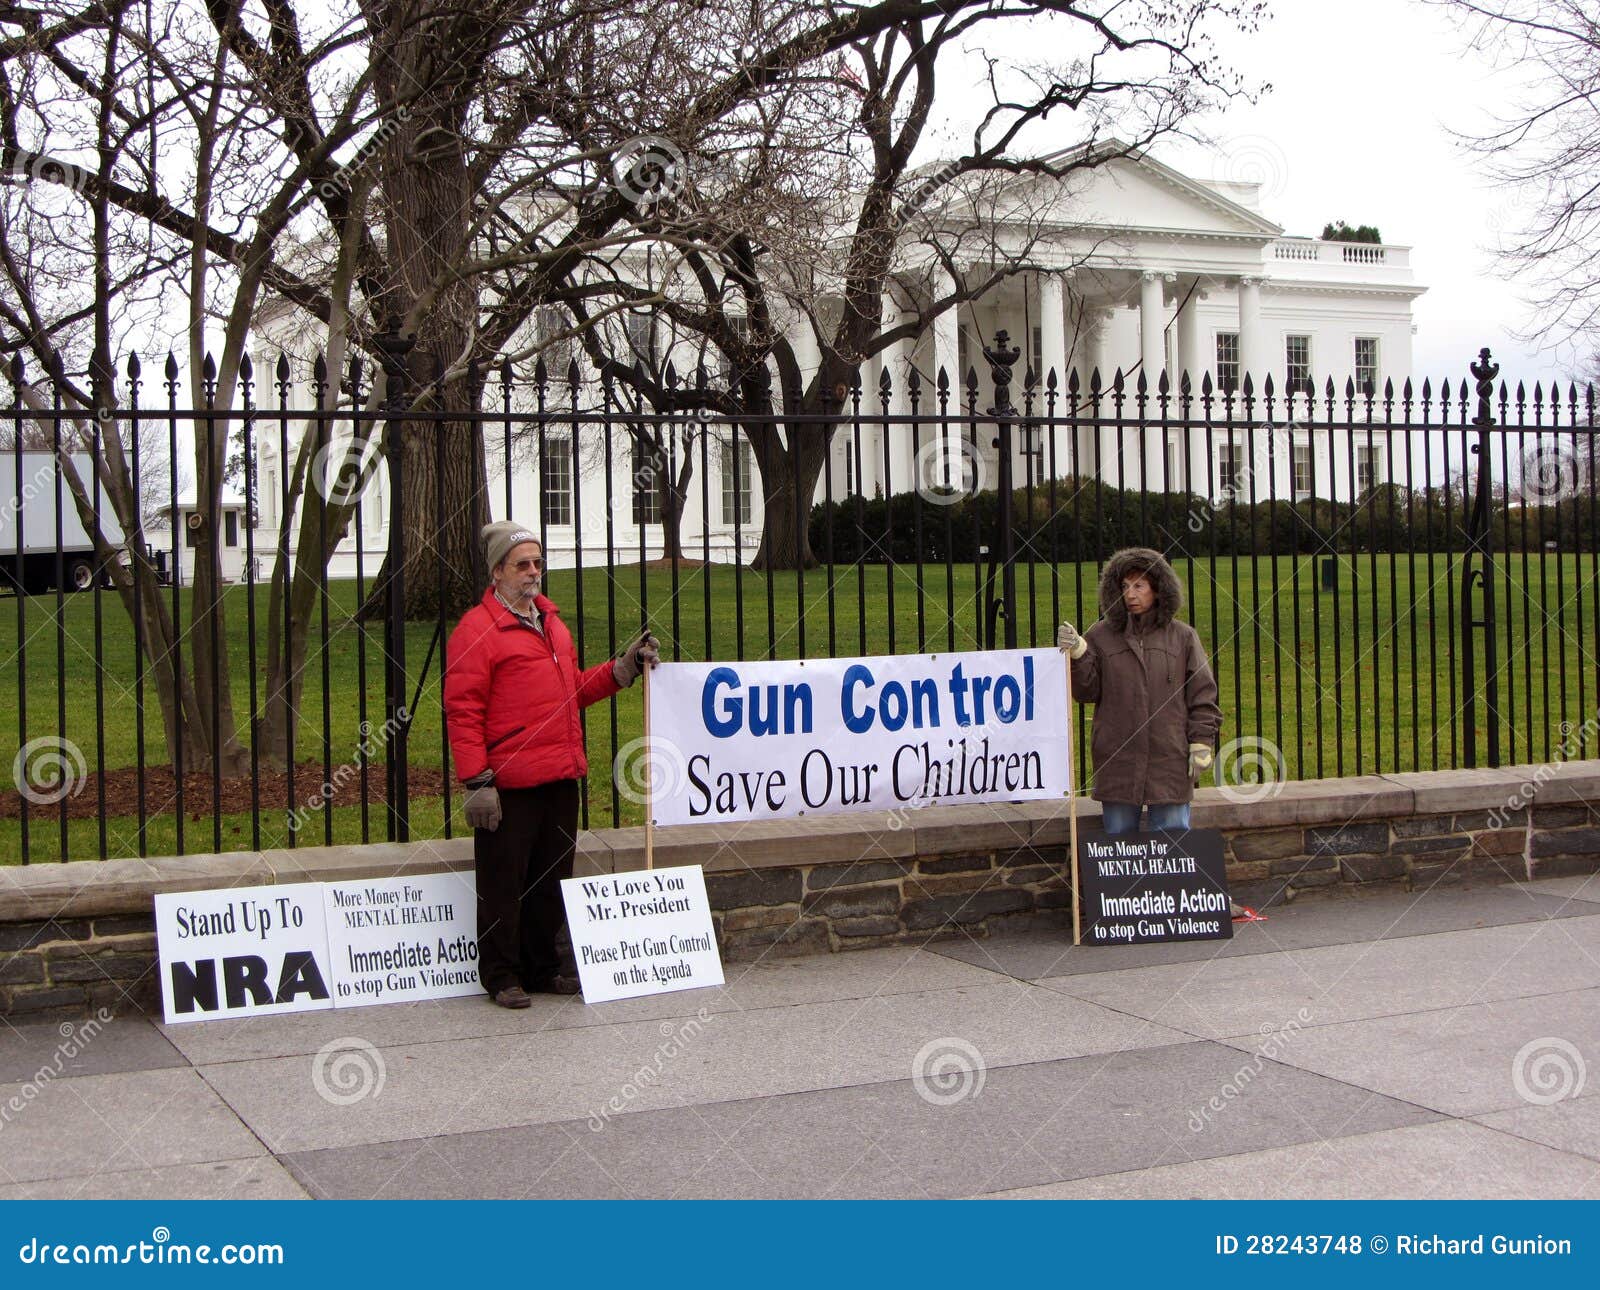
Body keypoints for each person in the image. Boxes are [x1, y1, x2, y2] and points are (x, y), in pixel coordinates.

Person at [444, 521, 659, 1008]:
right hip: (510, 781)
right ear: (497, 572)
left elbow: (572, 693)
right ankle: (501, 975)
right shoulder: (475, 632)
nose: (533, 572)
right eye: (522, 564)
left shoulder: (551, 623)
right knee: (504, 883)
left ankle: (541, 967)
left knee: (549, 879)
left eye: (538, 563)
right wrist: (476, 781)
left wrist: (619, 671)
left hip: (561, 774)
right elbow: (463, 709)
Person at [1057, 547, 1221, 835]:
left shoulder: (1183, 637)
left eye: (1139, 585)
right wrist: (1080, 655)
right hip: (1118, 760)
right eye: (1124, 586)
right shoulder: (1100, 636)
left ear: (1158, 589)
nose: (1130, 594)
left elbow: (1202, 693)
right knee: (1120, 845)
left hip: (1169, 758)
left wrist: (1202, 741)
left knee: (1173, 844)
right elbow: (1086, 693)